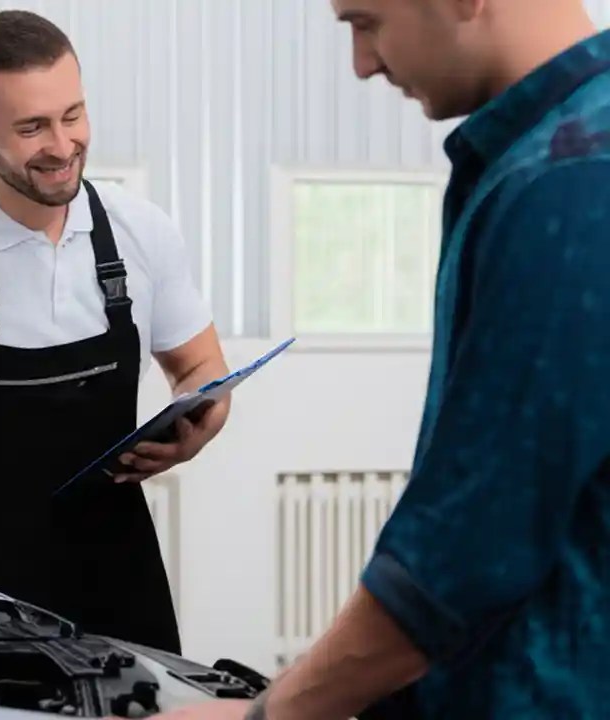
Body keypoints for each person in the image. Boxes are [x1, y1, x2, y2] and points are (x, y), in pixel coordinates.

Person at [167, 1, 610, 718]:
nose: (361, 65)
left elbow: (457, 565)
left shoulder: (568, 179)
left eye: (364, 22)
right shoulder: (547, 156)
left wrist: (266, 715)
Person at [0, 9, 230, 654]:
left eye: (73, 115)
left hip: (125, 577)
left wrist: (200, 421)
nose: (61, 145)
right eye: (32, 127)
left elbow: (202, 367)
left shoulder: (140, 230)